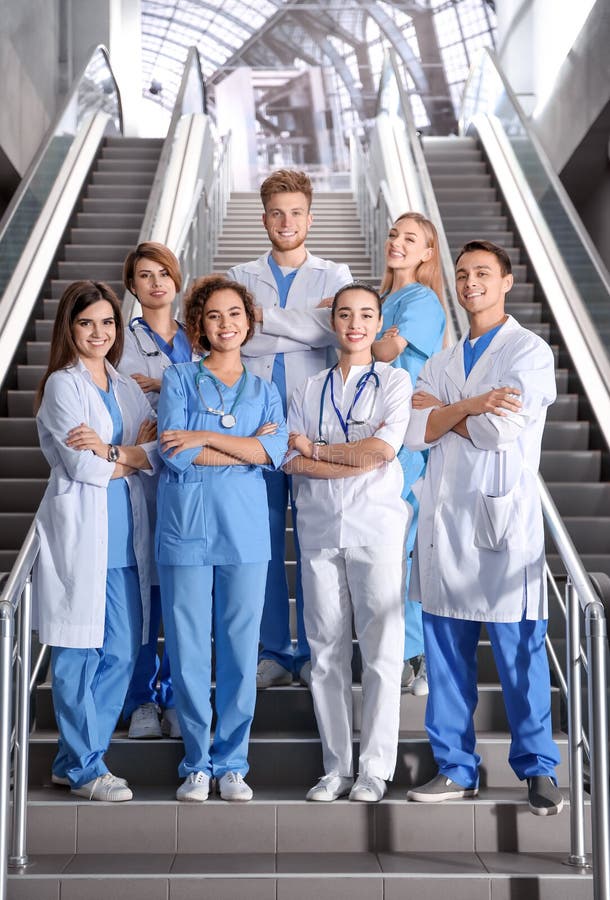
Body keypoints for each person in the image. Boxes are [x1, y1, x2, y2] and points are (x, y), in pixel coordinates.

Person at [404, 240, 563, 816]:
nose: (471, 283)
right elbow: (414, 431)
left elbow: (502, 431)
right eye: (463, 274)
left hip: (501, 527)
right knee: (445, 657)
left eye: (482, 274)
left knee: (520, 655)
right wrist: (473, 407)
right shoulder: (440, 361)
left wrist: (450, 412)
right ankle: (455, 768)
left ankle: (539, 769)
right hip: (445, 528)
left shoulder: (530, 351)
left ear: (506, 281)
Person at [156, 274, 288, 802]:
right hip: (186, 530)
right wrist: (243, 446)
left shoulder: (265, 389)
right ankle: (197, 763)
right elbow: (173, 450)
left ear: (249, 321)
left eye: (234, 314)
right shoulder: (178, 379)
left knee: (238, 649)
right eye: (214, 316)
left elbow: (272, 455)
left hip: (246, 533)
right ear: (200, 326)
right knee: (189, 651)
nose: (225, 324)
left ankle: (232, 762)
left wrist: (206, 435)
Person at [284, 282, 411, 803]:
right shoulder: (307, 389)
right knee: (325, 654)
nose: (354, 323)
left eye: (365, 314)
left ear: (378, 323)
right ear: (332, 322)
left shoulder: (395, 382)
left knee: (381, 653)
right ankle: (336, 767)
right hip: (318, 529)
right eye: (344, 314)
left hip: (375, 528)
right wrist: (337, 455)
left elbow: (381, 451)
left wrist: (319, 451)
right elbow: (289, 461)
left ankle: (374, 769)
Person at [33, 280, 157, 802]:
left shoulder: (125, 385)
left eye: (108, 323)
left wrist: (114, 451)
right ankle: (86, 768)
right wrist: (125, 453)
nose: (99, 333)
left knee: (124, 651)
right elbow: (81, 466)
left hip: (126, 537)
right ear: (70, 327)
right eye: (87, 323)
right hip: (81, 537)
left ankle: (73, 757)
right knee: (77, 653)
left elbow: (153, 456)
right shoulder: (64, 387)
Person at [228, 169, 352, 689]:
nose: (286, 222)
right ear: (263, 218)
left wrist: (268, 320)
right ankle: (276, 648)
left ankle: (322, 649)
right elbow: (238, 339)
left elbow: (336, 331)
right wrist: (303, 326)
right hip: (255, 427)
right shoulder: (239, 273)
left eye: (296, 212)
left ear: (310, 217)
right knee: (263, 541)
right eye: (277, 213)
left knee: (316, 541)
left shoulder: (335, 273)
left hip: (311, 428)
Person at [119, 241, 200, 741]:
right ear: (132, 286)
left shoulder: (199, 338)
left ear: (177, 279)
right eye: (145, 276)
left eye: (164, 273)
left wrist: (166, 385)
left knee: (185, 599)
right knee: (146, 595)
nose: (156, 283)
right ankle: (142, 699)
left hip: (191, 479)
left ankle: (177, 695)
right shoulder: (118, 341)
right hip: (141, 477)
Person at [372, 212, 446, 697]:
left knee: (399, 550)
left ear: (427, 253)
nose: (397, 242)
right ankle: (397, 652)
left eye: (411, 239)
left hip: (403, 442)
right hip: (376, 436)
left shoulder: (421, 300)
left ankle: (412, 656)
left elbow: (381, 352)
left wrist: (344, 324)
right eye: (394, 234)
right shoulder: (382, 301)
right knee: (383, 550)